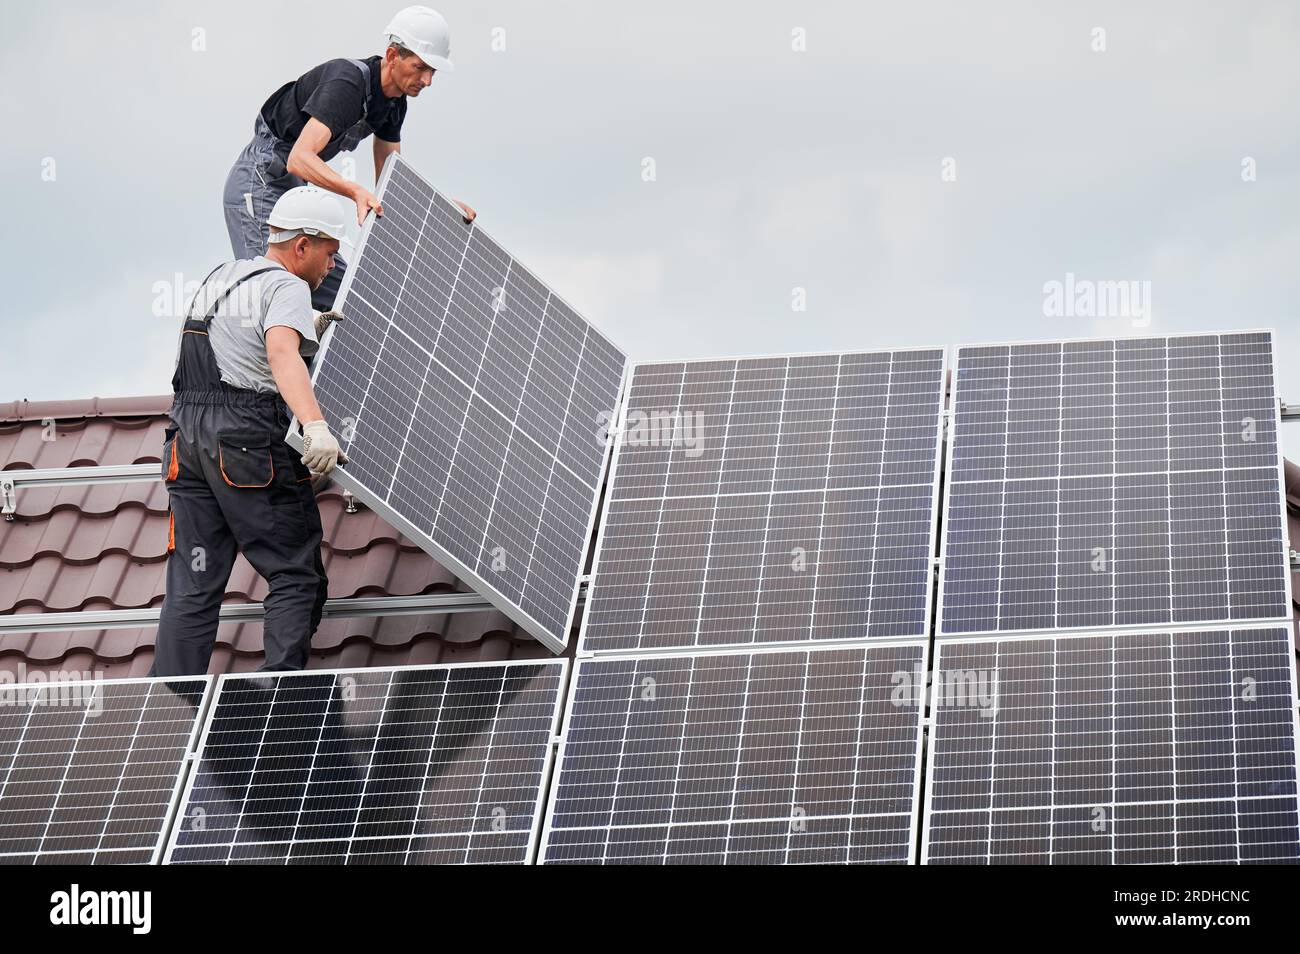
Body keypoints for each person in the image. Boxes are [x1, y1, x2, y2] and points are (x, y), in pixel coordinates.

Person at [153, 187, 350, 677]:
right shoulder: (288, 288)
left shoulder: (221, 275)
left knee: (194, 584)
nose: (332, 265)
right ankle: (278, 709)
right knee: (293, 572)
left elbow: (238, 350)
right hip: (243, 441)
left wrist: (305, 332)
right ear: (301, 245)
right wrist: (316, 425)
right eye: (329, 252)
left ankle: (167, 712)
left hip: (187, 441)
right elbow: (281, 356)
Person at [221, 6, 475, 311]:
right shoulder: (348, 83)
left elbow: (390, 185)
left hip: (294, 192)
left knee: (347, 297)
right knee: (277, 288)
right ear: (393, 56)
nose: (428, 80)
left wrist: (441, 209)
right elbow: (299, 158)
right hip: (260, 182)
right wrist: (354, 190)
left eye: (433, 71)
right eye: (420, 67)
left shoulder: (395, 105)